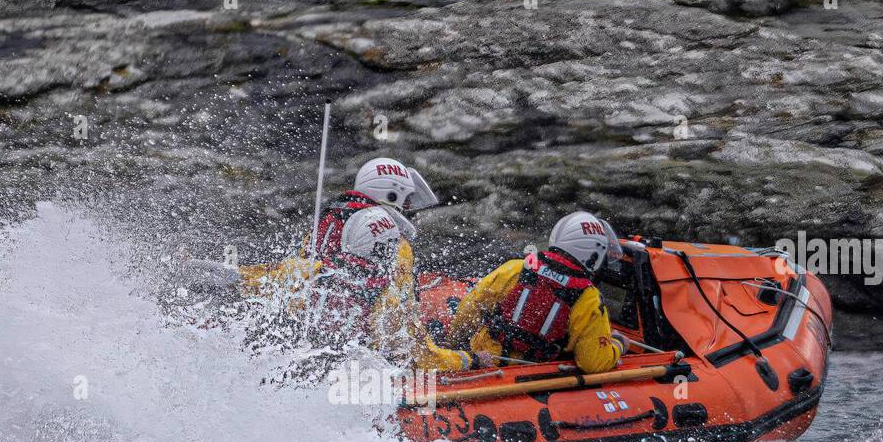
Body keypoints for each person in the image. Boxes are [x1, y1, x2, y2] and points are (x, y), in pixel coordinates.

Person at [240, 157, 474, 371]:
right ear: (392, 195)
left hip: (311, 340)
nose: (409, 210)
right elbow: (406, 336)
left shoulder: (329, 222)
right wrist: (466, 360)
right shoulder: (394, 243)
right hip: (361, 353)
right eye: (407, 201)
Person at [446, 211, 627, 373]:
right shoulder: (589, 298)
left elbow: (469, 308)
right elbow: (592, 362)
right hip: (531, 375)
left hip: (484, 362)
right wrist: (619, 344)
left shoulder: (517, 268)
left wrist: (454, 346)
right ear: (594, 254)